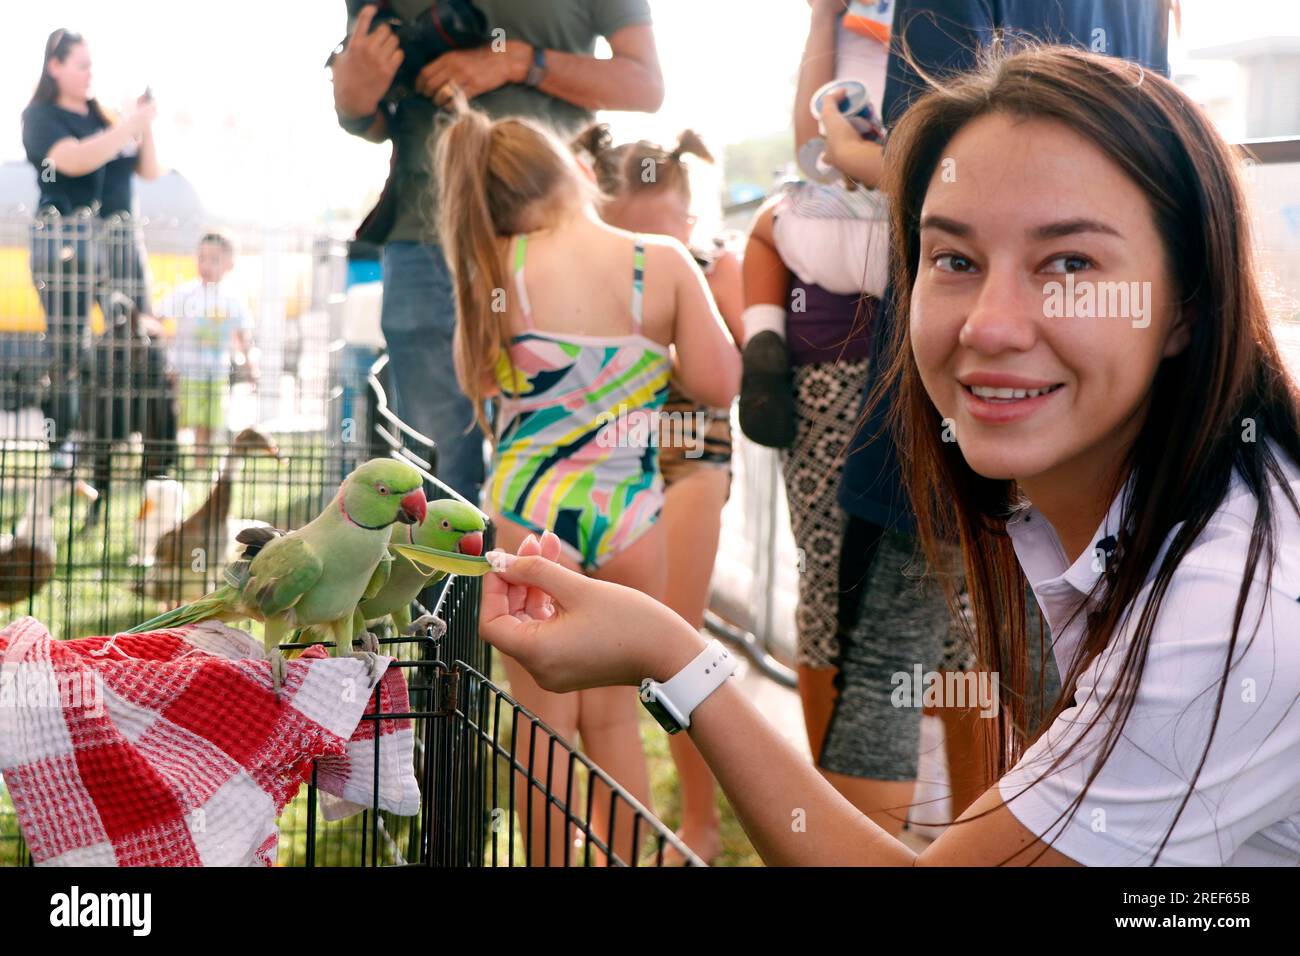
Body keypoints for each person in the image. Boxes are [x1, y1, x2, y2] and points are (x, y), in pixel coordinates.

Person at [477, 45, 1300, 867]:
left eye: (1070, 263)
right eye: (954, 260)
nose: (988, 323)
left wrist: (673, 656)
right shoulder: (1104, 521)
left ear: (1188, 302)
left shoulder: (1227, 614)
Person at [435, 103, 740, 864]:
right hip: (632, 517)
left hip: (530, 519)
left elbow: (475, 376)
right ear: (576, 171)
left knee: (541, 728)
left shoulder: (498, 271)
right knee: (613, 723)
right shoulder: (659, 263)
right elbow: (716, 381)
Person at [329, 1, 664, 507]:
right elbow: (368, 116)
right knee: (437, 485)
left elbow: (644, 85)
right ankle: (451, 583)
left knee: (564, 473)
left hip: (556, 241)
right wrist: (353, 98)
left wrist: (516, 61)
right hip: (426, 243)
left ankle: (546, 585)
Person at [577, 124, 745, 864]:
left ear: (689, 221)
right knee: (590, 659)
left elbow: (730, 369)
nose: (654, 256)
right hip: (610, 468)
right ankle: (605, 808)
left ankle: (700, 822)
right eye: (633, 240)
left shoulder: (715, 264)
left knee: (676, 644)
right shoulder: (588, 270)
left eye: (667, 237)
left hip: (692, 463)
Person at [21, 28, 160, 468]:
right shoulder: (41, 117)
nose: (88, 74)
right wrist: (129, 127)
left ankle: (127, 440)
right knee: (69, 348)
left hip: (119, 243)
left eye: (91, 65)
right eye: (80, 64)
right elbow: (76, 158)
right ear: (54, 65)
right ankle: (62, 445)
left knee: (136, 339)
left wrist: (143, 125)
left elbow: (149, 170)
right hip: (66, 243)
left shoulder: (106, 117)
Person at [155, 231, 256, 465]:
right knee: (183, 416)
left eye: (214, 259)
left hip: (216, 372)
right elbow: (158, 317)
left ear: (229, 264)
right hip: (186, 370)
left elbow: (243, 336)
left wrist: (251, 367)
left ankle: (200, 462)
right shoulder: (186, 292)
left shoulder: (233, 298)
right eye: (202, 258)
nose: (206, 265)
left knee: (208, 422)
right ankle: (175, 458)